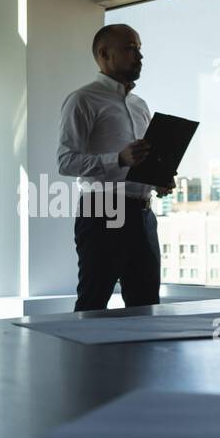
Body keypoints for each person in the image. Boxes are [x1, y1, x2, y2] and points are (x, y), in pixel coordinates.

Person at [57, 24, 172, 311]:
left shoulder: (141, 105)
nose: (139, 56)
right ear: (104, 54)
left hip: (143, 214)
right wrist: (118, 159)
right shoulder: (82, 100)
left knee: (146, 307)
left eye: (140, 49)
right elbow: (65, 161)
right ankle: (85, 359)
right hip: (101, 210)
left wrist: (158, 179)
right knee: (93, 304)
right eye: (130, 48)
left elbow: (139, 160)